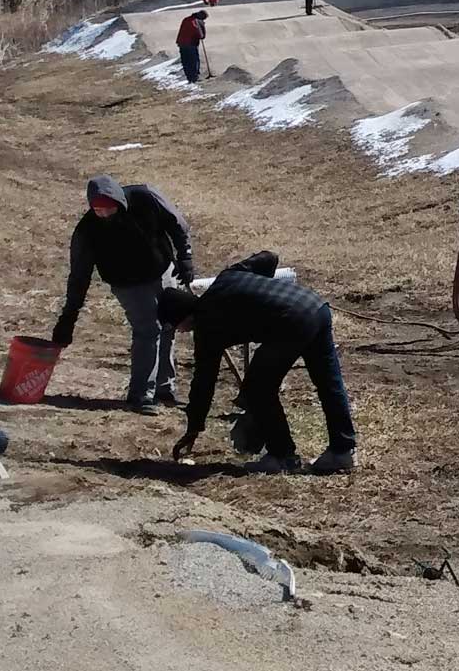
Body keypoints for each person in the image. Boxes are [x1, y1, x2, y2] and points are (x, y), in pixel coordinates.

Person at [161, 251, 358, 475]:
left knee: (257, 390)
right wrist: (260, 293)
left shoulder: (207, 328)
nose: (180, 331)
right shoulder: (227, 277)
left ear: (182, 317)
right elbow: (269, 258)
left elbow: (203, 383)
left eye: (175, 327)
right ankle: (343, 451)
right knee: (328, 382)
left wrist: (193, 427)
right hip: (315, 307)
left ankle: (283, 456)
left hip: (289, 322)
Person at [51, 176, 195, 414]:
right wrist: (69, 316)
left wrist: (185, 257)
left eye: (109, 208)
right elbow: (79, 275)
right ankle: (141, 394)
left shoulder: (145, 198)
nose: (105, 214)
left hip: (161, 270)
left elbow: (176, 223)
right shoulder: (88, 230)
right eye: (98, 210)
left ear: (119, 200)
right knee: (148, 329)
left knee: (169, 324)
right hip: (126, 283)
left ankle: (164, 387)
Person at [176, 9, 208, 83]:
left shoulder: (186, 19)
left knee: (185, 61)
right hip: (190, 44)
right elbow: (201, 35)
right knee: (193, 61)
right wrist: (202, 26)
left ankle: (189, 78)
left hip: (181, 44)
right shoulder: (196, 22)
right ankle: (194, 78)